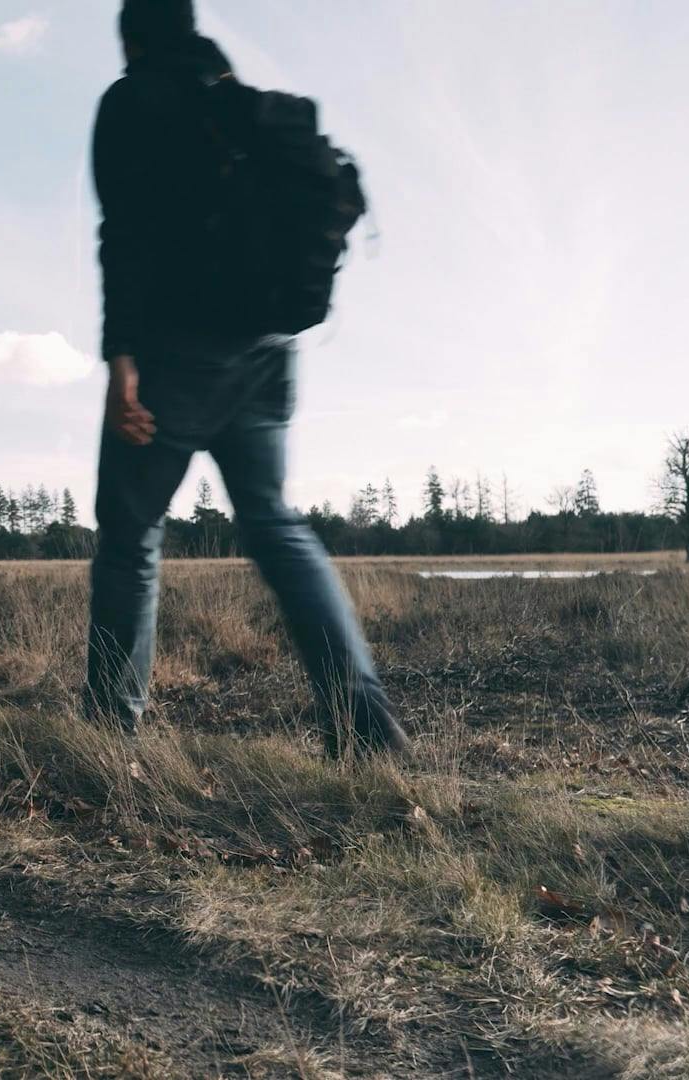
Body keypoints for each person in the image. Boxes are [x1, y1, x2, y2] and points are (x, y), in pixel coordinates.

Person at [83, 0, 410, 754]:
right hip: (267, 351)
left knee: (132, 535)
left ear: (132, 38)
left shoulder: (134, 100)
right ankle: (365, 726)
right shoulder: (235, 104)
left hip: (177, 351)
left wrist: (120, 357)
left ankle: (108, 738)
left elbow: (122, 235)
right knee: (273, 523)